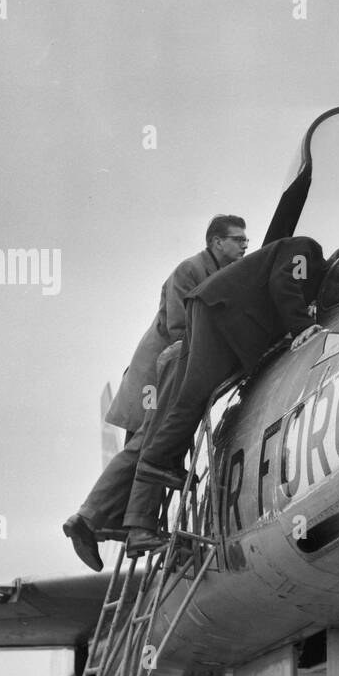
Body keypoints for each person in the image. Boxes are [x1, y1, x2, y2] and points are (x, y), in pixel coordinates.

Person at [61, 216, 249, 570]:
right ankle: (87, 517)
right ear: (215, 242)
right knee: (147, 443)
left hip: (173, 368)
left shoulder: (217, 273)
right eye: (237, 240)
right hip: (157, 373)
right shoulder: (191, 270)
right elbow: (181, 328)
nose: (244, 246)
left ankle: (130, 528)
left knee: (153, 447)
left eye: (245, 240)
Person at [127, 236, 328, 550]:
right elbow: (282, 281)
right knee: (196, 393)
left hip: (213, 309)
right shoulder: (309, 251)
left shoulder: (304, 267)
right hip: (220, 312)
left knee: (193, 394)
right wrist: (302, 325)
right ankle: (157, 460)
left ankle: (161, 460)